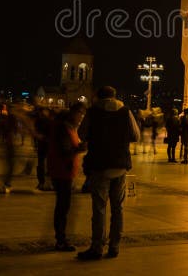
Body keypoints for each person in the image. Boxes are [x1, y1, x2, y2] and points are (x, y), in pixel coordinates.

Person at [77, 86, 140, 261]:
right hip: (120, 166)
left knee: (99, 208)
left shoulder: (92, 112)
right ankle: (114, 246)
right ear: (114, 96)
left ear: (98, 97)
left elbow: (81, 134)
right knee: (118, 208)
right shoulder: (125, 111)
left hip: (99, 166)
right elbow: (136, 135)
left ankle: (97, 247)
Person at [47, 103, 87, 251]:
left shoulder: (69, 128)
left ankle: (62, 237)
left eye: (83, 115)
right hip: (61, 172)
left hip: (65, 172)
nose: (81, 118)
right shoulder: (64, 129)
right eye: (80, 114)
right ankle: (61, 240)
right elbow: (65, 151)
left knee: (64, 207)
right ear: (72, 114)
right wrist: (80, 148)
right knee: (63, 207)